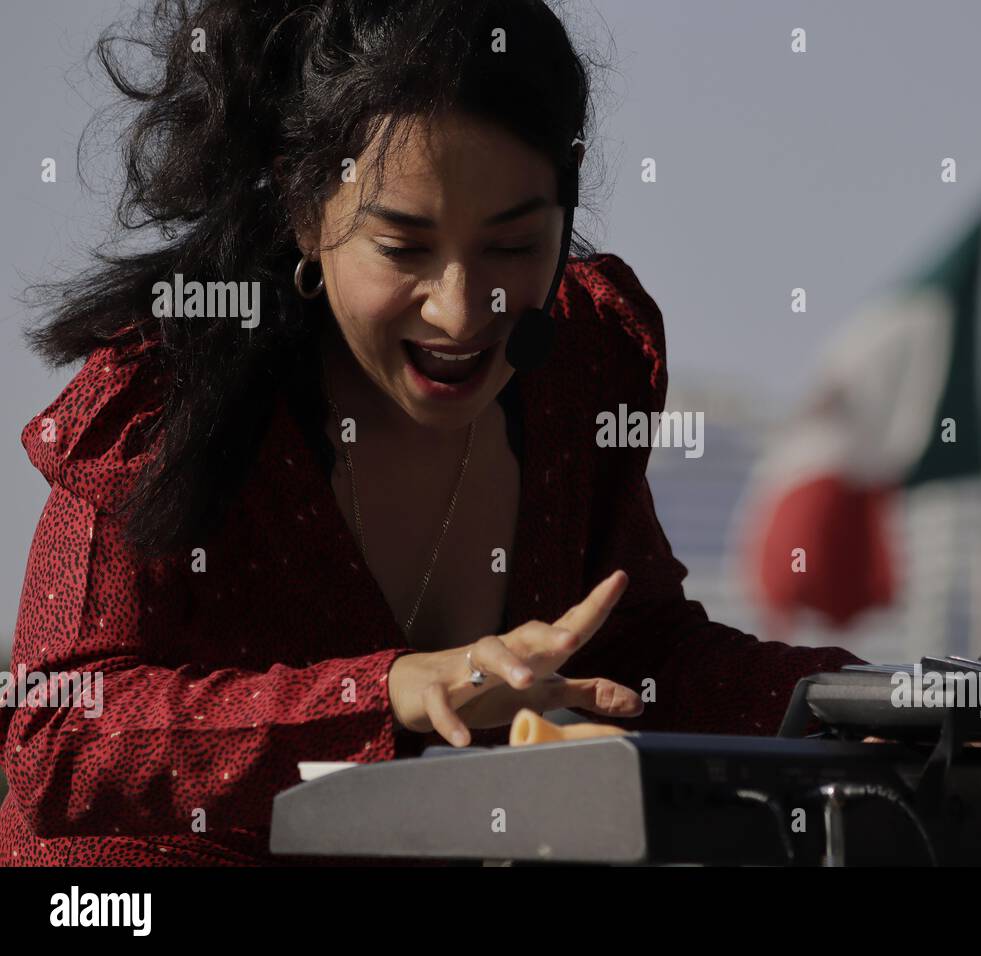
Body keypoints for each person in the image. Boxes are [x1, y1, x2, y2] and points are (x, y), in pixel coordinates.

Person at [0, 0, 865, 866]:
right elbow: (55, 734)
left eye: (512, 247)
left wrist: (872, 702)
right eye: (403, 248)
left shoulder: (580, 370)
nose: (460, 311)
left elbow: (643, 661)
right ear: (306, 213)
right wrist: (391, 692)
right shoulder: (166, 392)